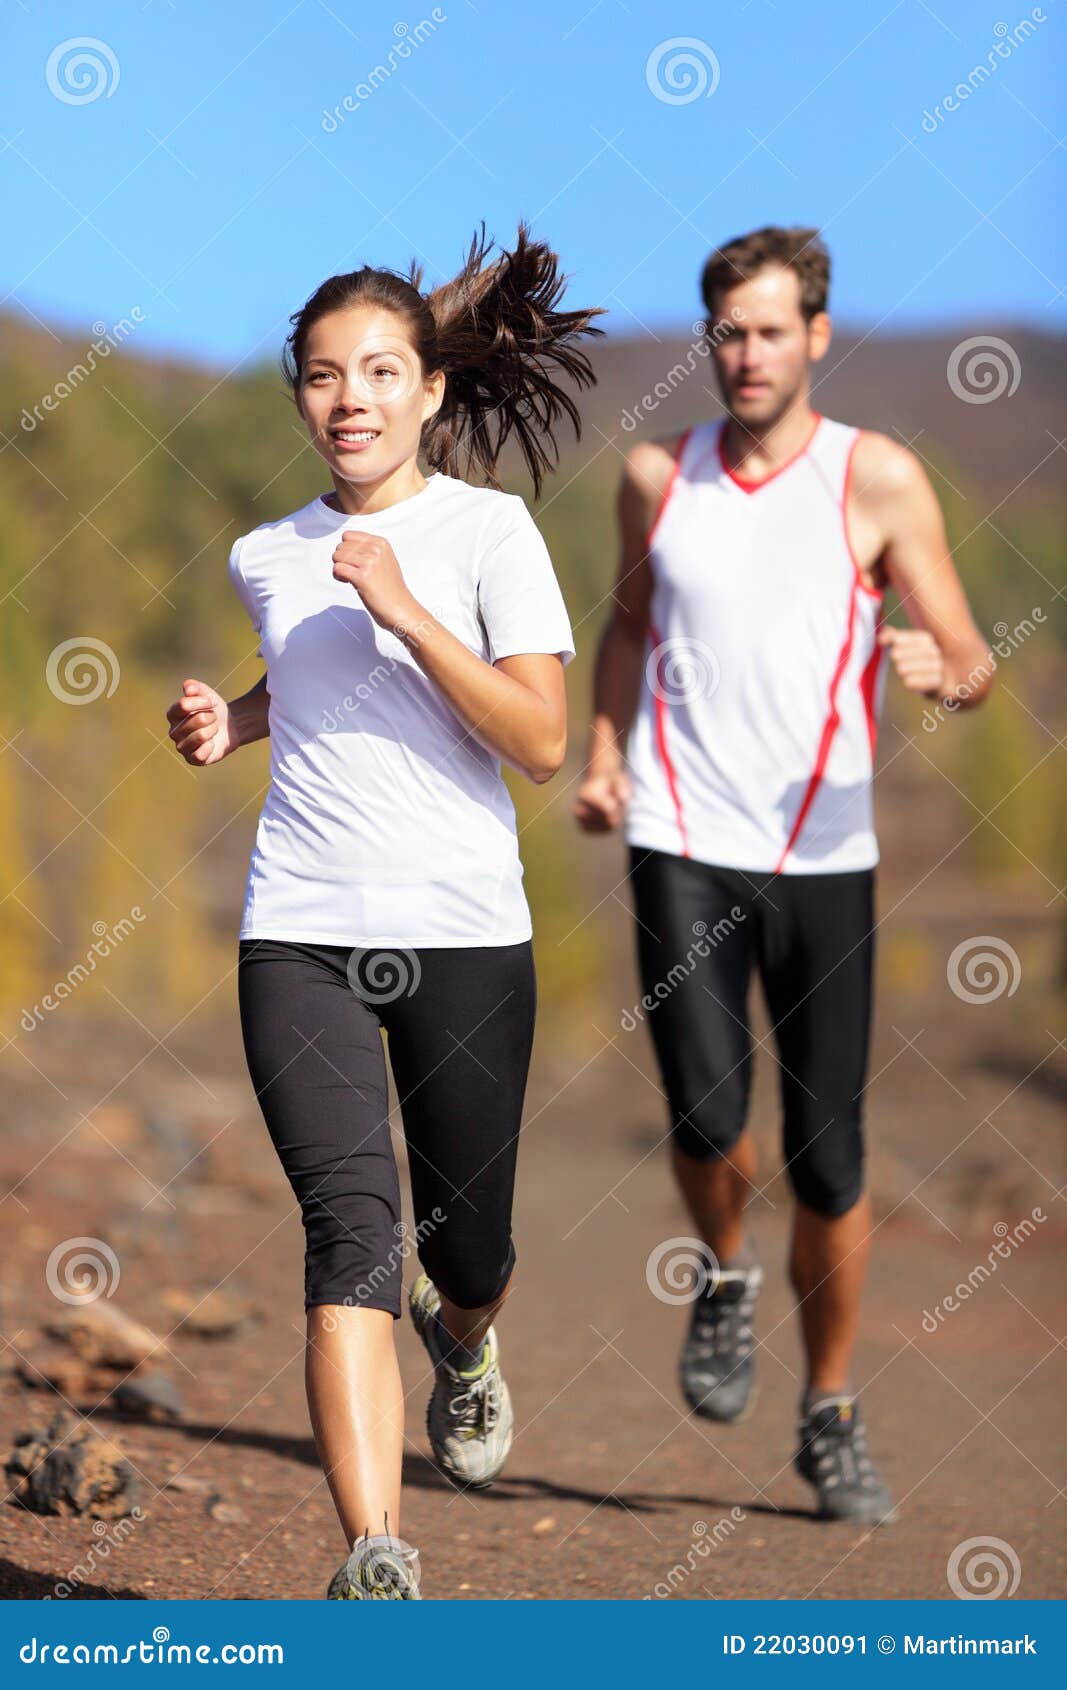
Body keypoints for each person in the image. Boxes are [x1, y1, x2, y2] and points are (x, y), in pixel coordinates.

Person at [166, 222, 603, 1597]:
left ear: (427, 390)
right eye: (319, 373)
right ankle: (375, 1551)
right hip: (297, 927)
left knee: (466, 1246)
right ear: (299, 394)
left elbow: (538, 737)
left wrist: (414, 613)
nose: (346, 396)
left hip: (466, 931)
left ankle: (463, 1341)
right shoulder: (266, 551)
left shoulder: (490, 533)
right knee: (350, 1230)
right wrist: (226, 722)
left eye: (375, 370)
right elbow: (309, 689)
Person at [575, 225, 993, 1525]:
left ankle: (830, 1407)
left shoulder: (878, 479)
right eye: (727, 332)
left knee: (829, 1154)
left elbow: (971, 651)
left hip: (827, 848)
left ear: (816, 333)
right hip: (684, 834)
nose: (745, 354)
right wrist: (601, 751)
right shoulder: (659, 476)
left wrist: (948, 669)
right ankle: (727, 1270)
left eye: (769, 330)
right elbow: (629, 622)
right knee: (706, 1115)